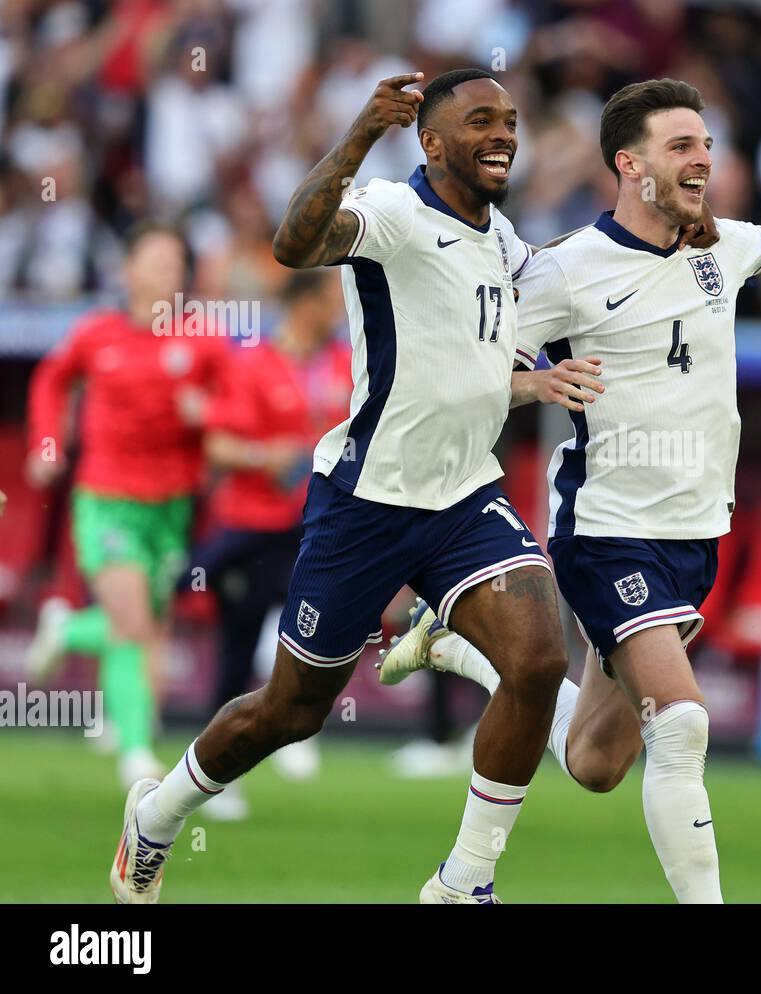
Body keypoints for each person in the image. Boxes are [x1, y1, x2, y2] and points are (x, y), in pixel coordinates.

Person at [380, 77, 761, 903]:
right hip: (609, 533)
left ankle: (460, 647)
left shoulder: (720, 250)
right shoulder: (567, 270)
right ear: (629, 163)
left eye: (707, 146)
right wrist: (534, 386)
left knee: (598, 763)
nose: (704, 161)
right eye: (682, 146)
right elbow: (471, 361)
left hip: (693, 538)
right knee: (681, 723)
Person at [110, 69, 617, 905]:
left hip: (464, 498)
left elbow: (488, 333)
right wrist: (354, 136)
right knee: (292, 709)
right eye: (481, 121)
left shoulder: (499, 237)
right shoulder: (393, 210)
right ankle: (158, 815)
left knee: (535, 659)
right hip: (367, 503)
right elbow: (294, 245)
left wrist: (531, 378)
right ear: (431, 141)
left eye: (511, 121)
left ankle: (465, 882)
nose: (503, 134)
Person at [25, 221, 228, 788]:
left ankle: (66, 631)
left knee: (147, 629)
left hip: (171, 508)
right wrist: (48, 444)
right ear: (128, 271)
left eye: (176, 263)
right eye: (157, 261)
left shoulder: (204, 341)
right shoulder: (96, 335)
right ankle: (137, 754)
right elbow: (50, 382)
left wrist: (206, 414)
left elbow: (236, 405)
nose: (170, 272)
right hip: (106, 499)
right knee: (133, 624)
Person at [187, 268, 353, 818]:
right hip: (252, 525)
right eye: (330, 299)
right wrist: (267, 455)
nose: (338, 309)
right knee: (236, 647)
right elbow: (217, 445)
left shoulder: (344, 363)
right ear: (304, 304)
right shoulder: (252, 361)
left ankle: (299, 725)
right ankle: (216, 773)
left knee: (319, 617)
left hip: (315, 523)